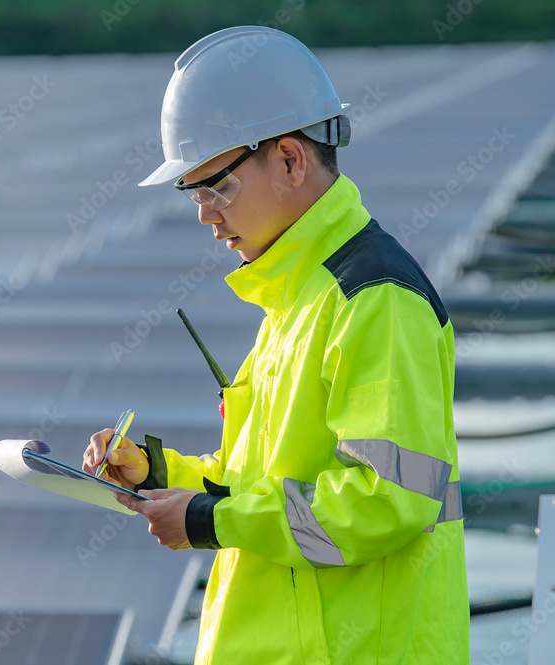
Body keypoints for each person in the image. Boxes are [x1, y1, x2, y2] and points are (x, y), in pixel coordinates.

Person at [82, 26, 469, 665]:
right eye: (194, 193)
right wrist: (161, 475)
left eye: (215, 187)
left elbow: (390, 499)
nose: (206, 214)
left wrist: (210, 520)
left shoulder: (375, 300)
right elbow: (265, 482)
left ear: (289, 159)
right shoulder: (299, 297)